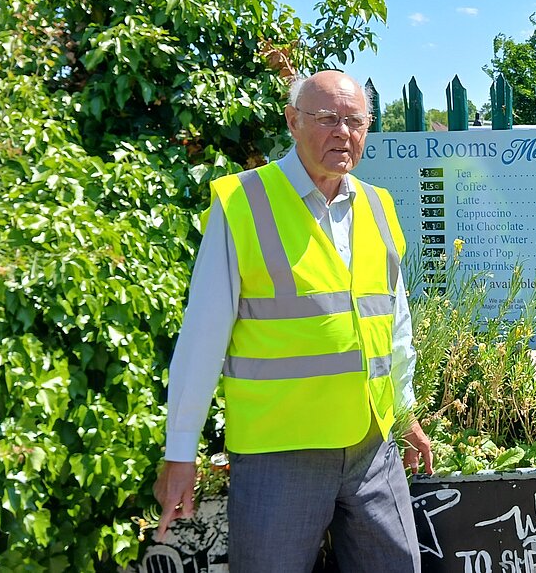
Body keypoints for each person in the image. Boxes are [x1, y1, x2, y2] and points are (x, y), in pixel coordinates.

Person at [153, 70, 432, 572]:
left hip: (371, 447)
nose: (342, 133)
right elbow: (202, 337)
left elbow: (395, 325)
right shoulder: (243, 203)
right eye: (327, 119)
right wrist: (180, 453)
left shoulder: (377, 205)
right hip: (279, 454)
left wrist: (405, 414)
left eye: (355, 121)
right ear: (292, 121)